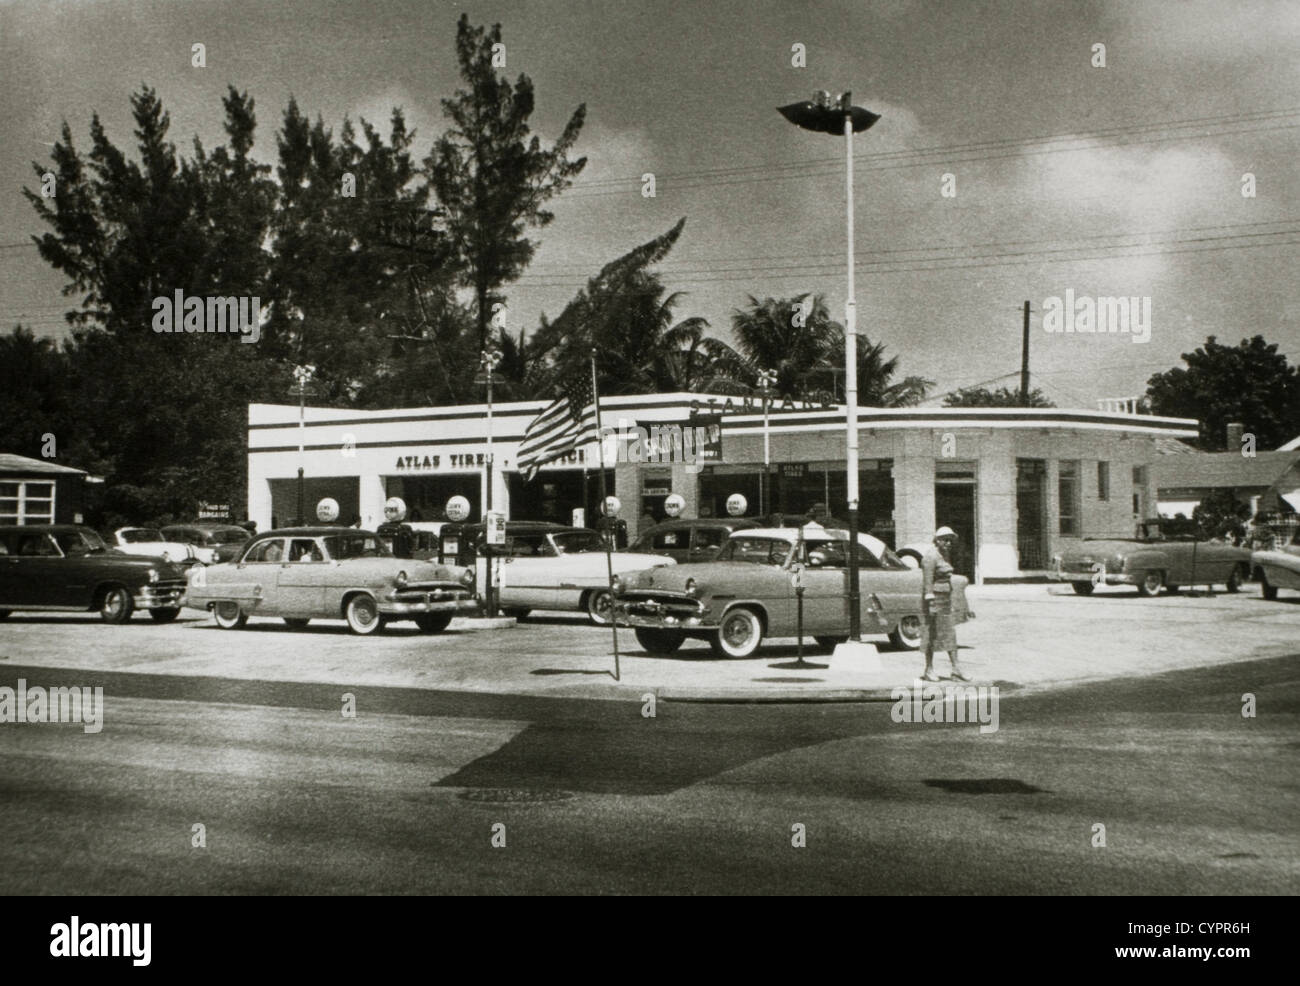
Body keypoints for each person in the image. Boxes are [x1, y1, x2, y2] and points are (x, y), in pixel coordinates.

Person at [921, 526, 969, 682]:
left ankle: (956, 669)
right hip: (934, 600)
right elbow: (927, 582)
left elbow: (948, 580)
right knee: (931, 634)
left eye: (950, 540)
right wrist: (931, 603)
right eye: (945, 540)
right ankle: (928, 669)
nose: (949, 543)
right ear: (937, 540)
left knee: (950, 634)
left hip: (946, 599)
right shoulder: (930, 556)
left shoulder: (945, 555)